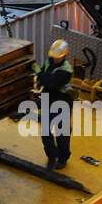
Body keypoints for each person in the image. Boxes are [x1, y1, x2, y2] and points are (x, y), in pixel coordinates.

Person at [35, 37, 74, 169]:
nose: (55, 59)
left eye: (58, 57)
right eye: (54, 56)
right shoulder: (49, 61)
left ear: (64, 56)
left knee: (62, 132)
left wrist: (41, 75)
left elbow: (50, 83)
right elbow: (43, 78)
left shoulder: (66, 70)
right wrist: (41, 76)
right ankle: (52, 155)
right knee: (46, 132)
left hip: (62, 101)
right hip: (48, 99)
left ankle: (63, 158)